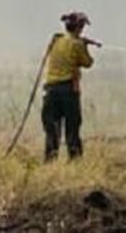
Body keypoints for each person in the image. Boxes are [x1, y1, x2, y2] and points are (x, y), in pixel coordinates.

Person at [41, 11, 96, 162]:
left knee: (52, 131)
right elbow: (88, 63)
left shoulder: (56, 40)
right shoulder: (77, 44)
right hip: (68, 91)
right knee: (72, 129)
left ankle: (49, 162)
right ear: (79, 27)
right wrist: (84, 45)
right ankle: (75, 163)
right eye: (82, 26)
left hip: (50, 91)